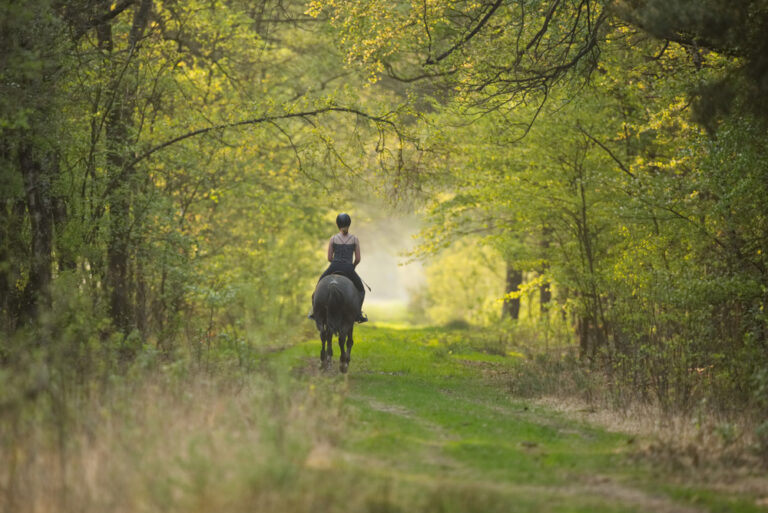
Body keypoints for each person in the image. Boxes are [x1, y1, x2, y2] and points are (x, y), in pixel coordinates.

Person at [309, 213, 368, 323]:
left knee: (318, 287)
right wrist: (352, 267)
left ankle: (314, 312)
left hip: (334, 266)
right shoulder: (355, 239)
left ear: (337, 224)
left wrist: (336, 263)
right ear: (349, 224)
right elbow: (358, 258)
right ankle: (359, 314)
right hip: (349, 268)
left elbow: (329, 257)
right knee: (361, 290)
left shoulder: (333, 239)